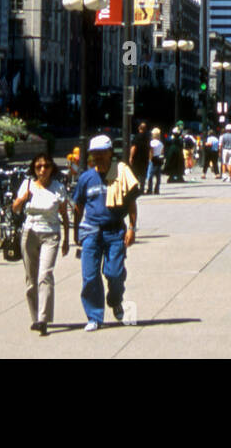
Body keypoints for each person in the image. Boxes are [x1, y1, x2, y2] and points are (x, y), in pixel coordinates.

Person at [73, 135, 139, 332]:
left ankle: (115, 299)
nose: (99, 157)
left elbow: (132, 204)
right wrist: (76, 232)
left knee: (115, 273)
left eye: (102, 153)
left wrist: (132, 228)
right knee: (90, 277)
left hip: (115, 232)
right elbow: (78, 205)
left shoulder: (120, 173)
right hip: (91, 232)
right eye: (95, 154)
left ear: (111, 153)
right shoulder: (86, 178)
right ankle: (94, 316)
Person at [12, 154, 70, 335]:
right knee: (31, 279)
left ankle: (43, 319)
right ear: (34, 169)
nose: (42, 170)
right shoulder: (27, 185)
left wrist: (67, 239)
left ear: (52, 168)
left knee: (45, 275)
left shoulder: (58, 188)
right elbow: (15, 208)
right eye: (38, 166)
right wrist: (23, 199)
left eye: (46, 166)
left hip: (51, 234)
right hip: (29, 234)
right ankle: (35, 317)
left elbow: (64, 215)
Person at [130, 122, 151, 192]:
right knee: (143, 173)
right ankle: (142, 188)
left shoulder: (137, 137)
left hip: (137, 158)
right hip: (145, 158)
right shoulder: (147, 137)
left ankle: (135, 188)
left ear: (139, 128)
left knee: (135, 173)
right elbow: (150, 148)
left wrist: (131, 157)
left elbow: (134, 147)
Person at [146, 127, 164, 195]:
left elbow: (151, 151)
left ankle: (149, 189)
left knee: (150, 175)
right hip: (159, 159)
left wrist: (150, 159)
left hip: (153, 160)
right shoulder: (161, 143)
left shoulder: (152, 142)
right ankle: (157, 189)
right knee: (158, 176)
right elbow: (162, 152)